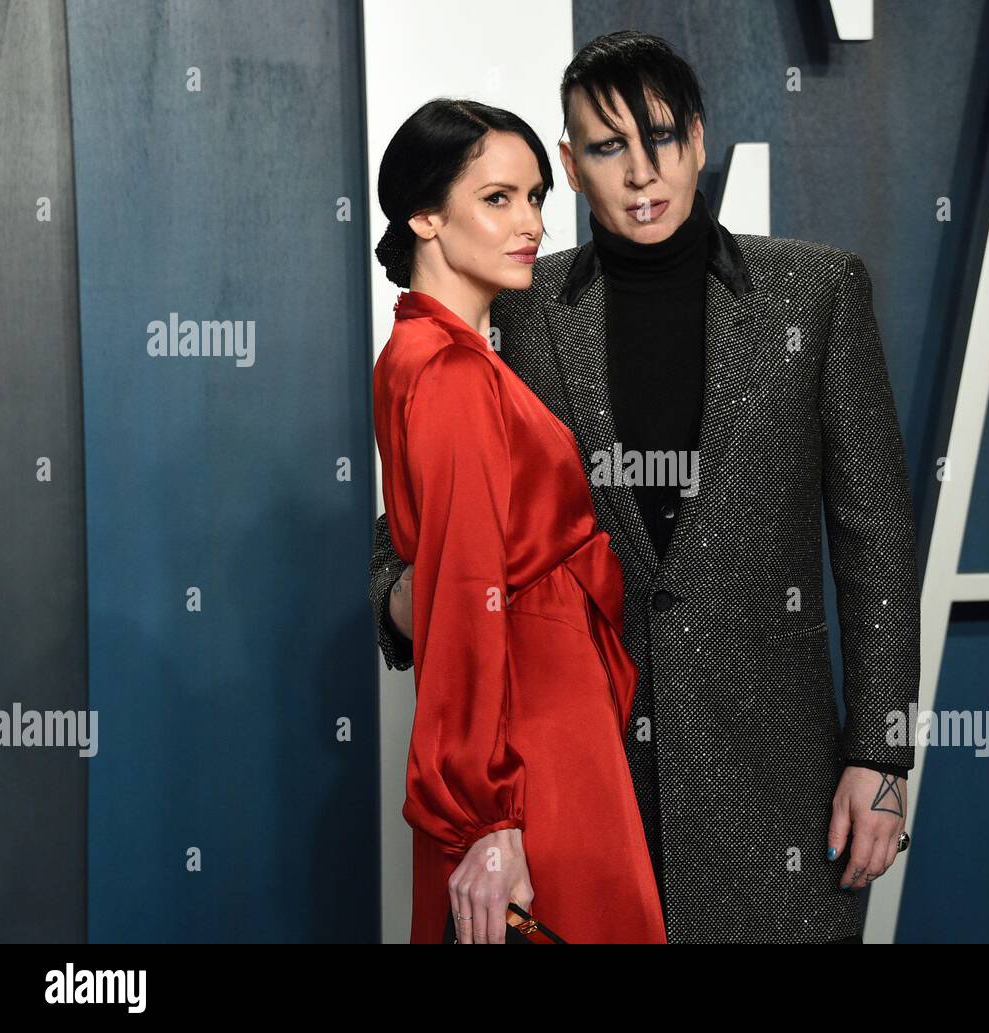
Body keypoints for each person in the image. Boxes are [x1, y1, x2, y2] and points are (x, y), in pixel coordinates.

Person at [370, 31, 920, 944]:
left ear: (700, 140)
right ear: (573, 170)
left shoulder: (814, 293)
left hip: (776, 783)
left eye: (661, 137)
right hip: (578, 789)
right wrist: (418, 598)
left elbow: (878, 537)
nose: (642, 170)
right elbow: (416, 530)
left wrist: (883, 751)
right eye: (607, 146)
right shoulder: (511, 303)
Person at [371, 98, 667, 944]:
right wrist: (489, 817)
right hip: (531, 736)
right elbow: (465, 591)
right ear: (425, 214)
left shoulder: (423, 354)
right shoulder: (453, 373)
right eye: (498, 199)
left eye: (537, 196)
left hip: (540, 715)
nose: (532, 222)